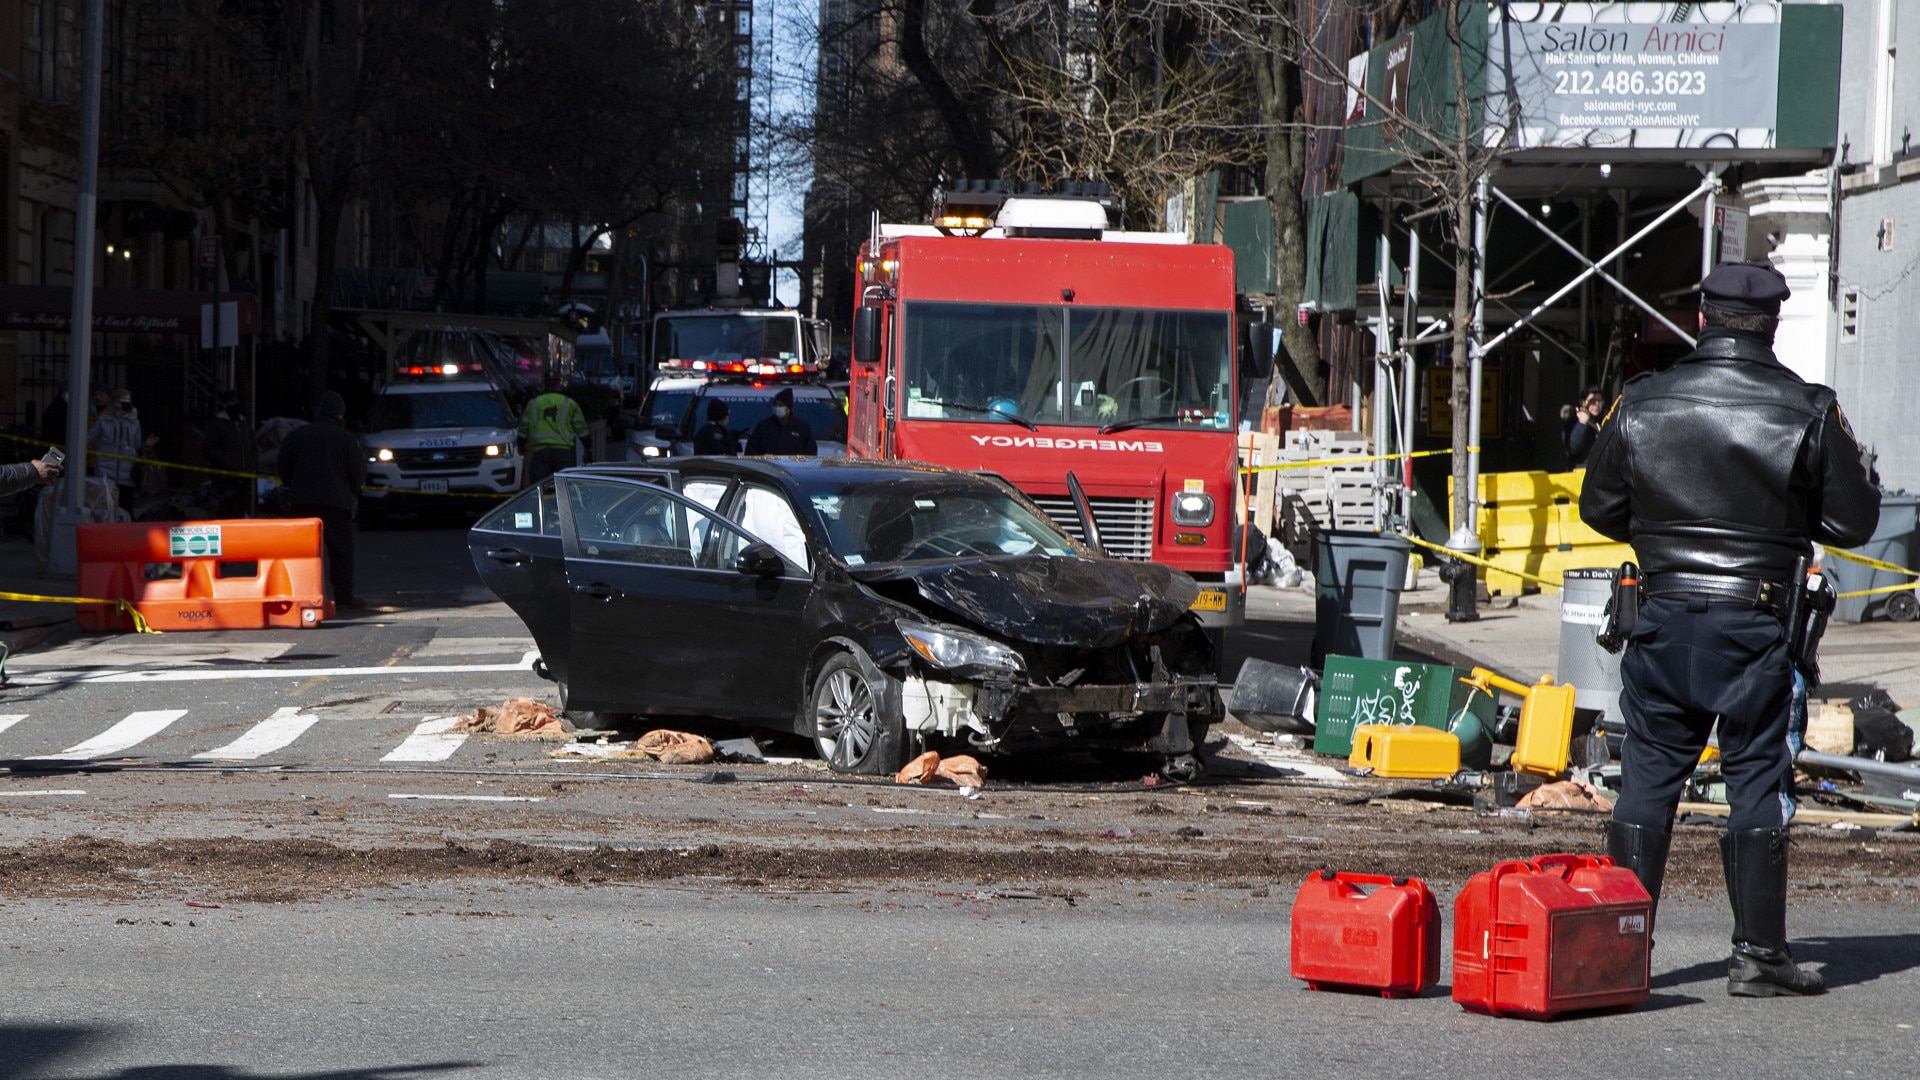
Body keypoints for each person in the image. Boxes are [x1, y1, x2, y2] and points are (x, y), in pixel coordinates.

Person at [1580, 261, 1880, 999]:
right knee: (1756, 777)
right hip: (1757, 621)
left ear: (1704, 318)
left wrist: (1662, 531)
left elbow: (1598, 507)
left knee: (1648, 779)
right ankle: (1757, 956)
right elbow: (1854, 520)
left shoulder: (1642, 401)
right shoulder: (1807, 408)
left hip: (1663, 615)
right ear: (1771, 324)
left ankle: (1622, 954)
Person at [278, 391, 368, 607]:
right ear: (340, 414)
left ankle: (301, 594)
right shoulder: (346, 439)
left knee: (303, 552)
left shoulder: (296, 436)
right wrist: (353, 490)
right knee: (341, 552)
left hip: (301, 503)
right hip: (336, 504)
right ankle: (343, 596)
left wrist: (294, 487)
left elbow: (283, 468)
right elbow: (357, 473)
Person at [88, 389, 154, 511]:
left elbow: (137, 446)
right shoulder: (104, 422)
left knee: (126, 510)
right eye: (122, 400)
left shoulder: (134, 423)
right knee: (106, 511)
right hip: (105, 475)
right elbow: (88, 439)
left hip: (127, 476)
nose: (126, 403)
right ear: (114, 403)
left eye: (128, 400)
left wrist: (146, 445)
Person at [521, 374, 587, 483]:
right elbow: (581, 428)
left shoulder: (533, 403)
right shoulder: (569, 403)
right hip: (563, 453)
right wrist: (588, 446)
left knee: (539, 487)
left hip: (540, 452)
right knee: (564, 487)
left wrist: (521, 444)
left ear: (545, 384)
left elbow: (523, 428)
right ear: (559, 384)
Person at [203, 388, 259, 516]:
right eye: (231, 401)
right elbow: (210, 449)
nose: (235, 404)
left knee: (244, 509)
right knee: (227, 510)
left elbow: (252, 446)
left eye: (236, 400)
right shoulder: (217, 425)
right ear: (224, 404)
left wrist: (252, 464)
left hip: (246, 477)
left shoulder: (244, 423)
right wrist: (227, 464)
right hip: (226, 479)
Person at [744, 387, 816, 456]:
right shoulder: (764, 427)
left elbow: (810, 454)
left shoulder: (802, 428)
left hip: (794, 468)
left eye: (781, 405)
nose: (777, 407)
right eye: (775, 404)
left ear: (789, 408)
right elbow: (751, 452)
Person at [1562, 386, 1604, 467]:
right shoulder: (1572, 423)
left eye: (1600, 401)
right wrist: (1582, 423)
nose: (1597, 404)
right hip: (1581, 475)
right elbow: (1573, 447)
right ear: (1583, 402)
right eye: (1592, 401)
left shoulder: (1602, 422)